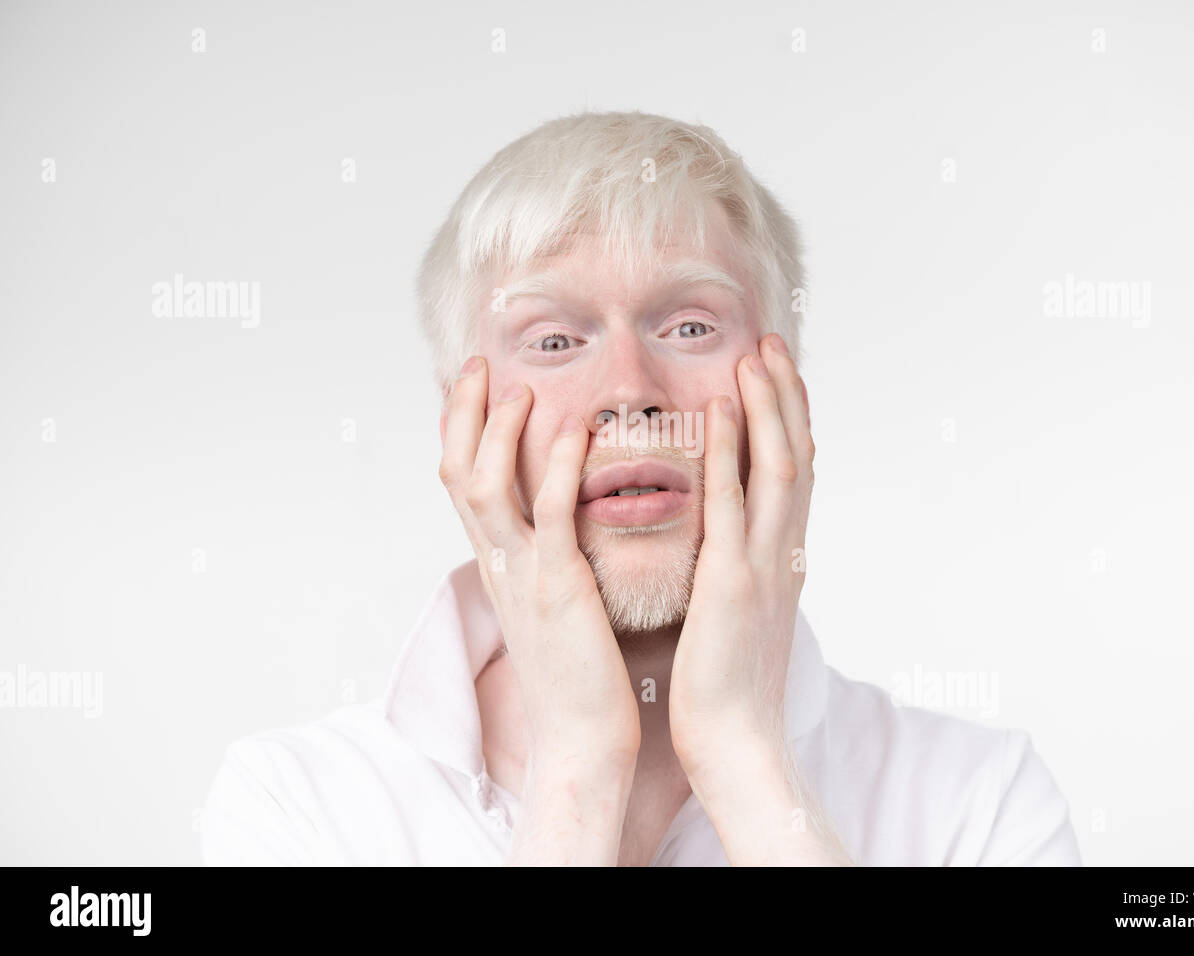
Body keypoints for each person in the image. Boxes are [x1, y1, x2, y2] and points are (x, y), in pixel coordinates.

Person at [199, 111, 1082, 866]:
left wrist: (744, 756)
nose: (630, 390)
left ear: (787, 398)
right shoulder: (296, 810)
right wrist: (579, 767)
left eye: (690, 325)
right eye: (553, 340)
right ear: (460, 427)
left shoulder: (980, 803)